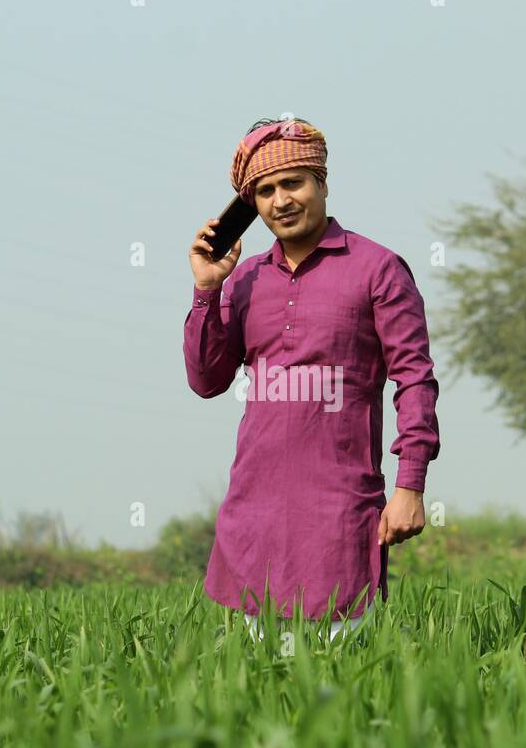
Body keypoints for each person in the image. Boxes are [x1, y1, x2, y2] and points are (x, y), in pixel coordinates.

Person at [184, 117, 440, 644]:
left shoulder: (379, 269)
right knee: (259, 692)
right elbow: (206, 380)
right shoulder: (246, 277)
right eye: (265, 191)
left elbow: (415, 380)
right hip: (253, 512)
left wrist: (410, 484)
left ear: (322, 183)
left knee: (345, 687)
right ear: (251, 204)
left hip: (340, 510)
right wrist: (208, 290)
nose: (281, 200)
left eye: (293, 183)